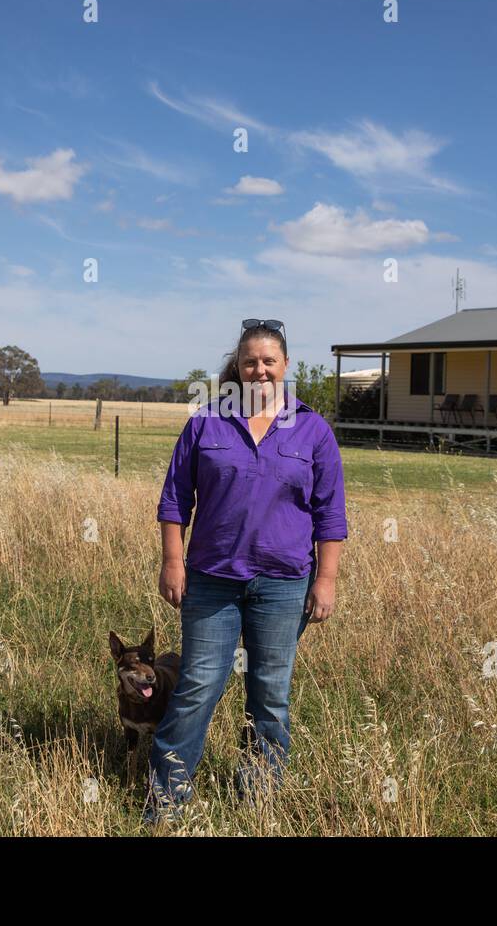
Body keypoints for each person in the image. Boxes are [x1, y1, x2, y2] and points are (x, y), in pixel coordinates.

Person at [146, 318, 348, 824]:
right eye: (250, 361)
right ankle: (166, 798)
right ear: (238, 367)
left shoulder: (312, 429)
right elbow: (175, 500)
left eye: (269, 361)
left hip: (283, 583)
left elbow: (331, 514)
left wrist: (325, 580)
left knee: (271, 693)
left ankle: (259, 797)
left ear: (285, 366)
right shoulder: (206, 423)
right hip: (212, 579)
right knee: (198, 685)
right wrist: (173, 562)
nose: (259, 370)